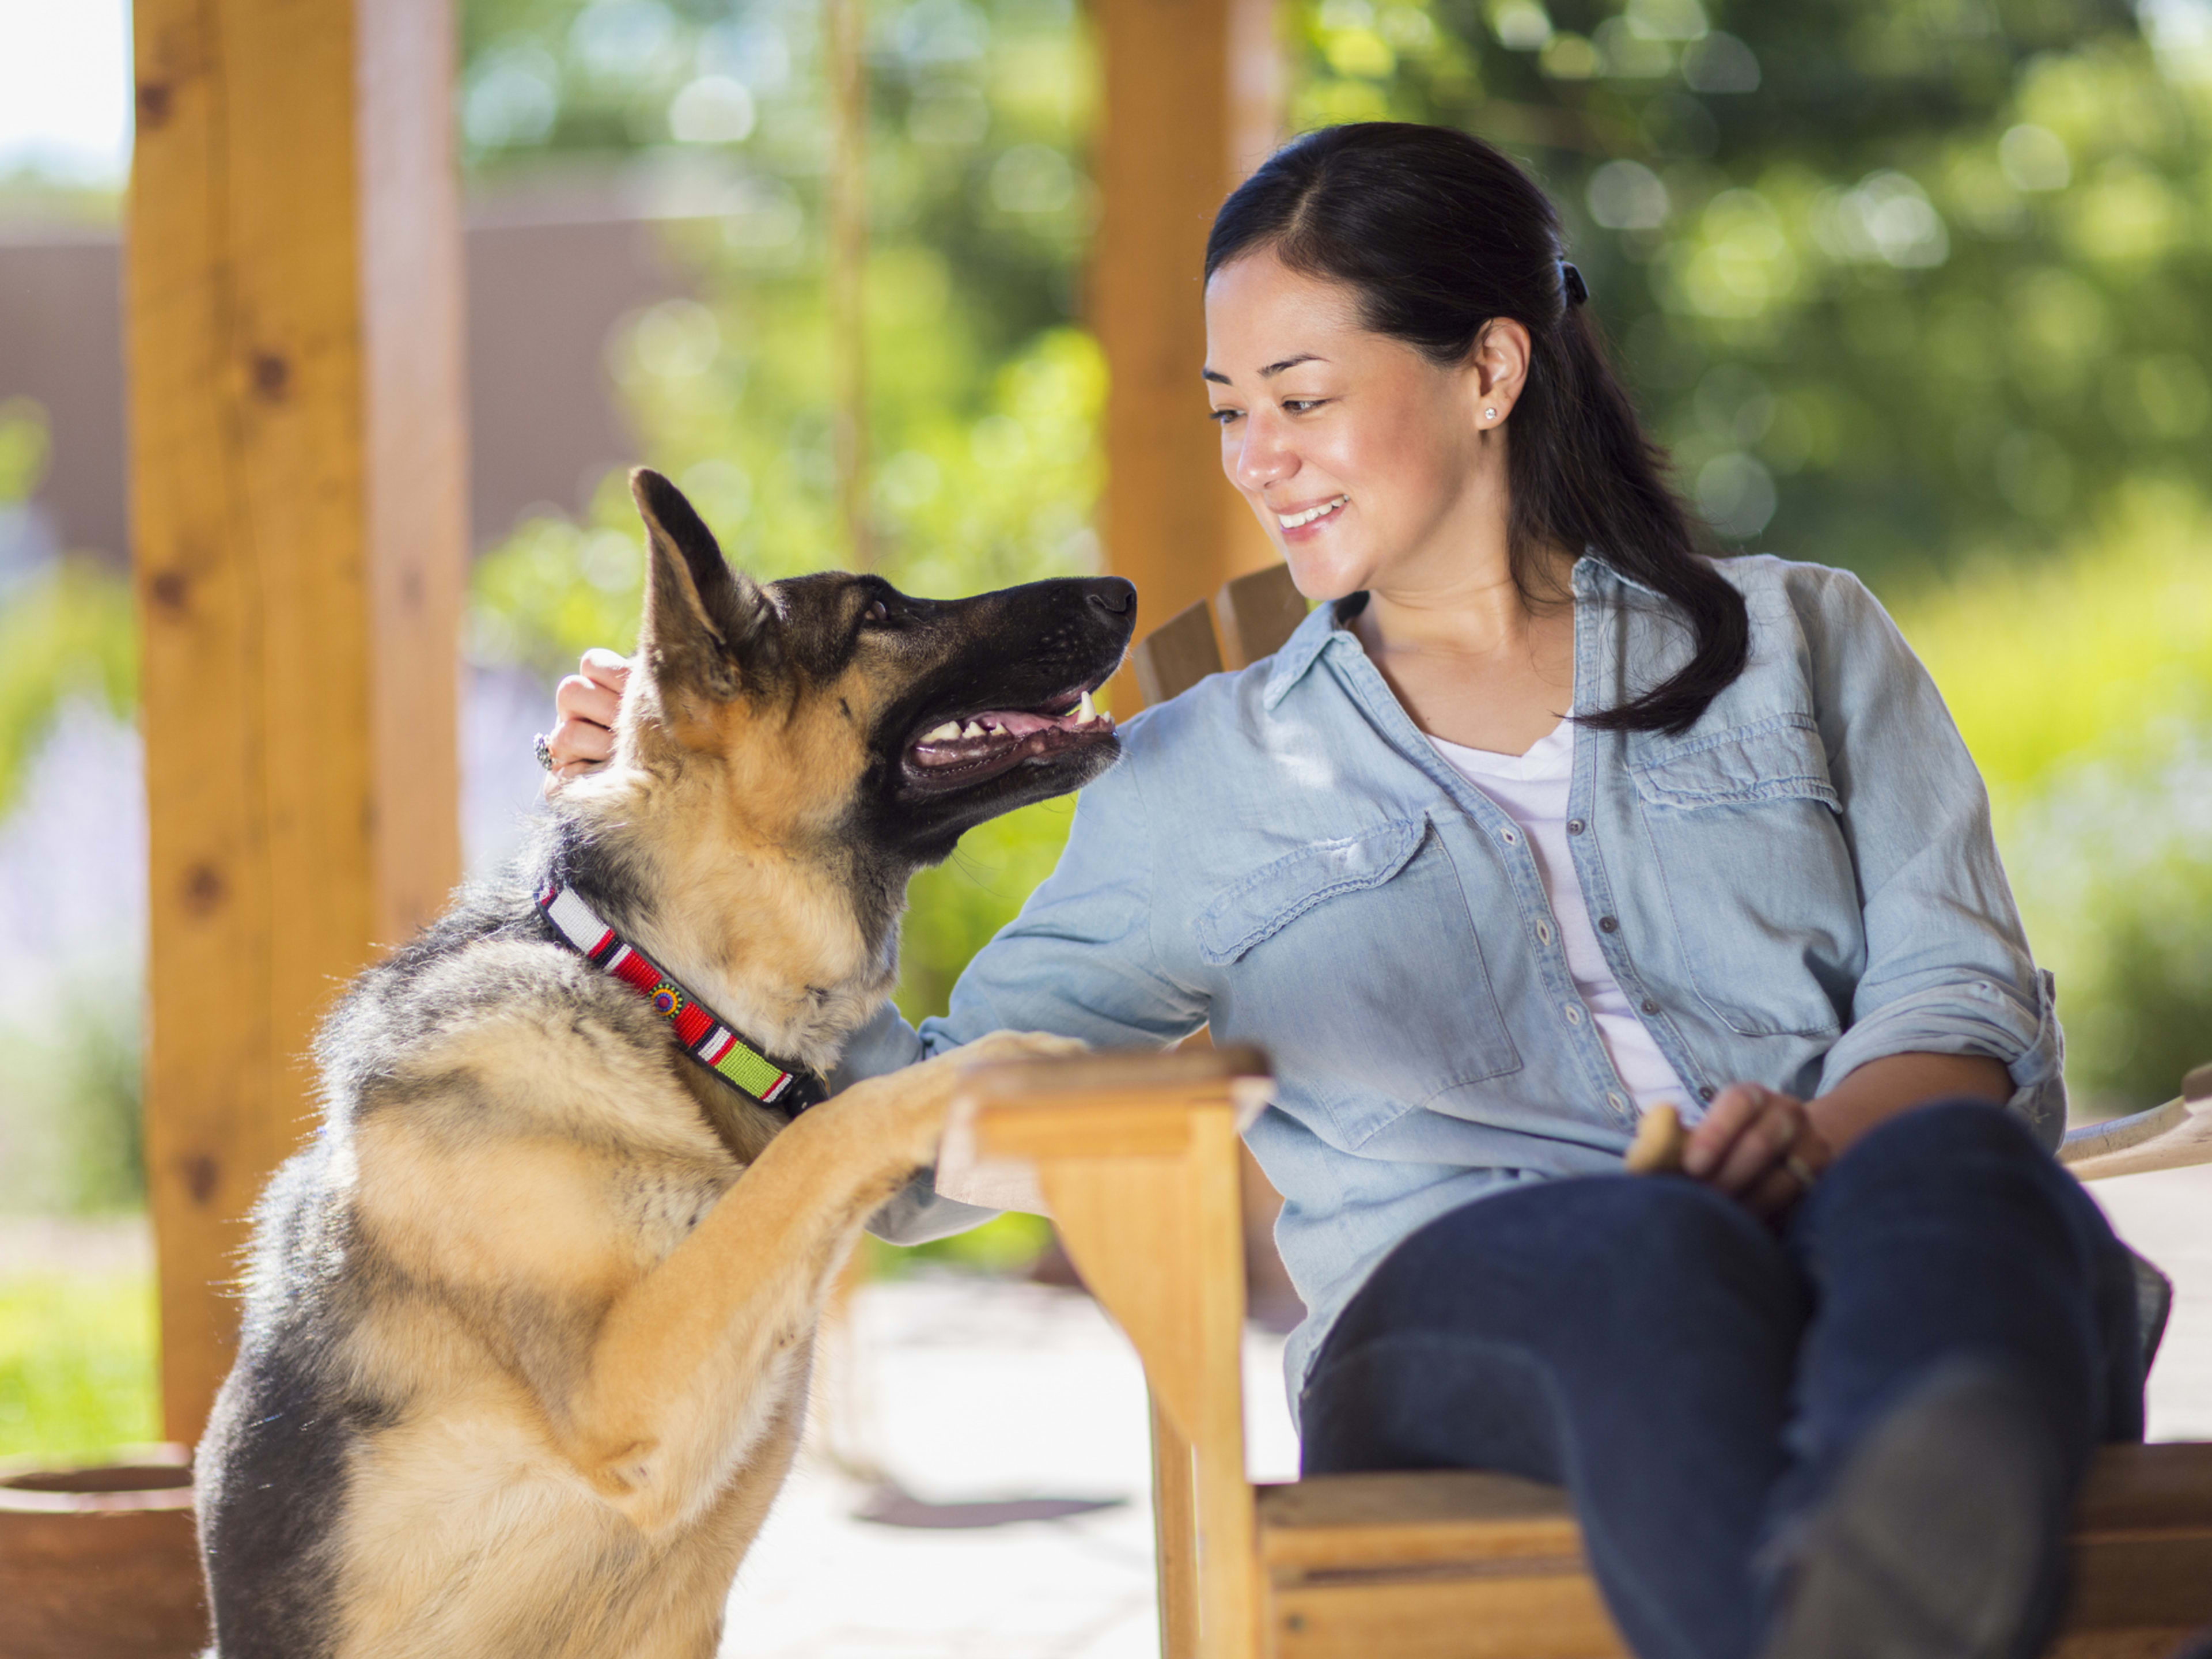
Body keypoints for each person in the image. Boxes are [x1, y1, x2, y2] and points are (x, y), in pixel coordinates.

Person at [543, 122, 2143, 1659]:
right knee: (1654, 1253)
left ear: (1491, 373)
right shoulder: (1203, 779)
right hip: (1491, 1314)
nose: (1261, 461)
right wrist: (693, 820)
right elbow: (907, 1152)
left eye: (1302, 397)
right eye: (1233, 411)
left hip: (1875, 1260)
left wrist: (1820, 1142)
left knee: (1970, 1181)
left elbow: (1961, 997)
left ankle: (1865, 1589)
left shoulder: (1804, 643)